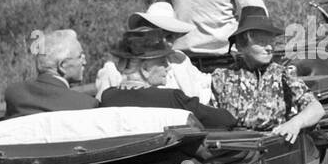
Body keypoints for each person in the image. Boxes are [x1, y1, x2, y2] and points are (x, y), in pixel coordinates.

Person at [211, 6, 325, 144]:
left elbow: (316, 109)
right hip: (233, 148)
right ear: (242, 45)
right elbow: (211, 119)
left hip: (272, 149)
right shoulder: (221, 77)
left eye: (271, 42)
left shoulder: (283, 75)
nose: (269, 47)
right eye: (261, 42)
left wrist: (294, 124)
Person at [99, 27, 238, 130]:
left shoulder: (108, 98)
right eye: (163, 62)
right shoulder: (171, 98)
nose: (168, 67)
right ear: (146, 69)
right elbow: (226, 119)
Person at [94, 2, 213, 102]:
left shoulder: (180, 61)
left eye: (171, 37)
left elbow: (203, 87)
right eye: (161, 36)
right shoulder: (113, 70)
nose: (168, 43)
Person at [4, 29, 100, 117]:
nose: (84, 62)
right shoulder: (86, 106)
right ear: (63, 66)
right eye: (80, 56)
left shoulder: (15, 96)